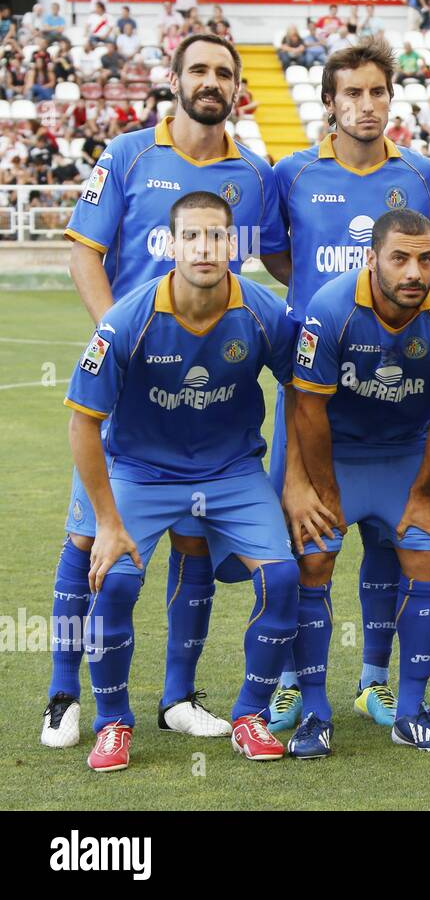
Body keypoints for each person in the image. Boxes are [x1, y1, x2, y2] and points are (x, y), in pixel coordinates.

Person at [42, 33, 288, 752]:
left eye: (224, 73)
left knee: (193, 537)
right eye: (199, 70)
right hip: (131, 372)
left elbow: (279, 260)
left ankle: (178, 697)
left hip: (208, 391)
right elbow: (84, 249)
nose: (211, 81)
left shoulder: (254, 172)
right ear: (174, 79)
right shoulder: (125, 155)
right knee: (88, 537)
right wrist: (124, 343)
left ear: (237, 88)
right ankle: (64, 690)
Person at [65, 189, 301, 771]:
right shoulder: (127, 320)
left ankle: (250, 715)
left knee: (284, 578)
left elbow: (305, 390)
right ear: (170, 246)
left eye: (215, 235)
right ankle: (113, 723)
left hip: (232, 470)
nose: (203, 247)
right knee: (115, 582)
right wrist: (107, 522)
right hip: (142, 473)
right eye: (190, 236)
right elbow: (82, 424)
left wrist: (296, 478)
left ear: (234, 245)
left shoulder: (264, 312)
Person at [265, 38, 430, 733]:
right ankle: (291, 682)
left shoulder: (422, 176)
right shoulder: (291, 174)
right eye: (352, 94)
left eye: (377, 92)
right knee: (306, 542)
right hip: (314, 386)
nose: (366, 105)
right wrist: (335, 312)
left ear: (390, 98)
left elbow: (428, 258)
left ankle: (376, 682)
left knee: (388, 540)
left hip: (397, 391)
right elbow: (279, 255)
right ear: (329, 103)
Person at [288, 208, 430, 756]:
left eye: (425, 258)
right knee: (316, 559)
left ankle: (412, 711)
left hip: (405, 462)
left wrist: (422, 493)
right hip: (337, 458)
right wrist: (323, 491)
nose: (415, 271)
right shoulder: (330, 310)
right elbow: (309, 412)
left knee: (425, 559)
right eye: (400, 258)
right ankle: (314, 712)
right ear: (372, 260)